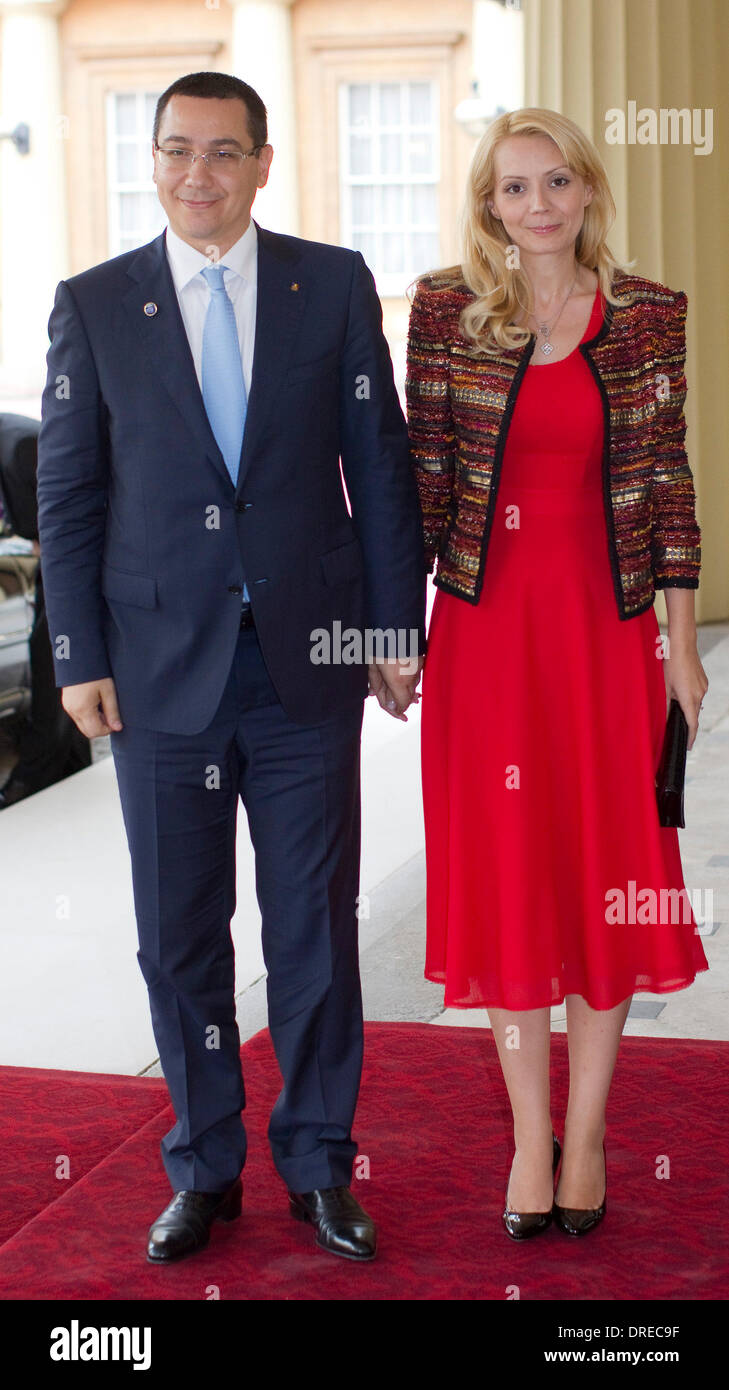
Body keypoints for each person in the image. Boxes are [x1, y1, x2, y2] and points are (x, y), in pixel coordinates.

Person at [37, 70, 425, 1265]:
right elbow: (69, 493)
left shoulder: (333, 286)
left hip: (308, 664)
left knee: (314, 922)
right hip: (158, 679)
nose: (196, 173)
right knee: (180, 935)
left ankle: (318, 1164)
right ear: (151, 163)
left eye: (221, 151)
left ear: (263, 163)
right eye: (174, 151)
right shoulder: (95, 304)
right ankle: (204, 1167)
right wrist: (77, 654)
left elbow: (381, 467)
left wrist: (390, 630)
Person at [405, 107, 708, 1240]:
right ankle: (530, 1137)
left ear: (588, 192)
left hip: (603, 632)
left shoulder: (649, 317)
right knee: (514, 878)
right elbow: (419, 476)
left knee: (605, 870)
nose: (538, 204)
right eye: (515, 187)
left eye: (558, 182)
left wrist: (680, 647)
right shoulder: (445, 311)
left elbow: (667, 486)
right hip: (486, 638)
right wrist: (397, 633)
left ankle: (587, 1140)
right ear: (490, 204)